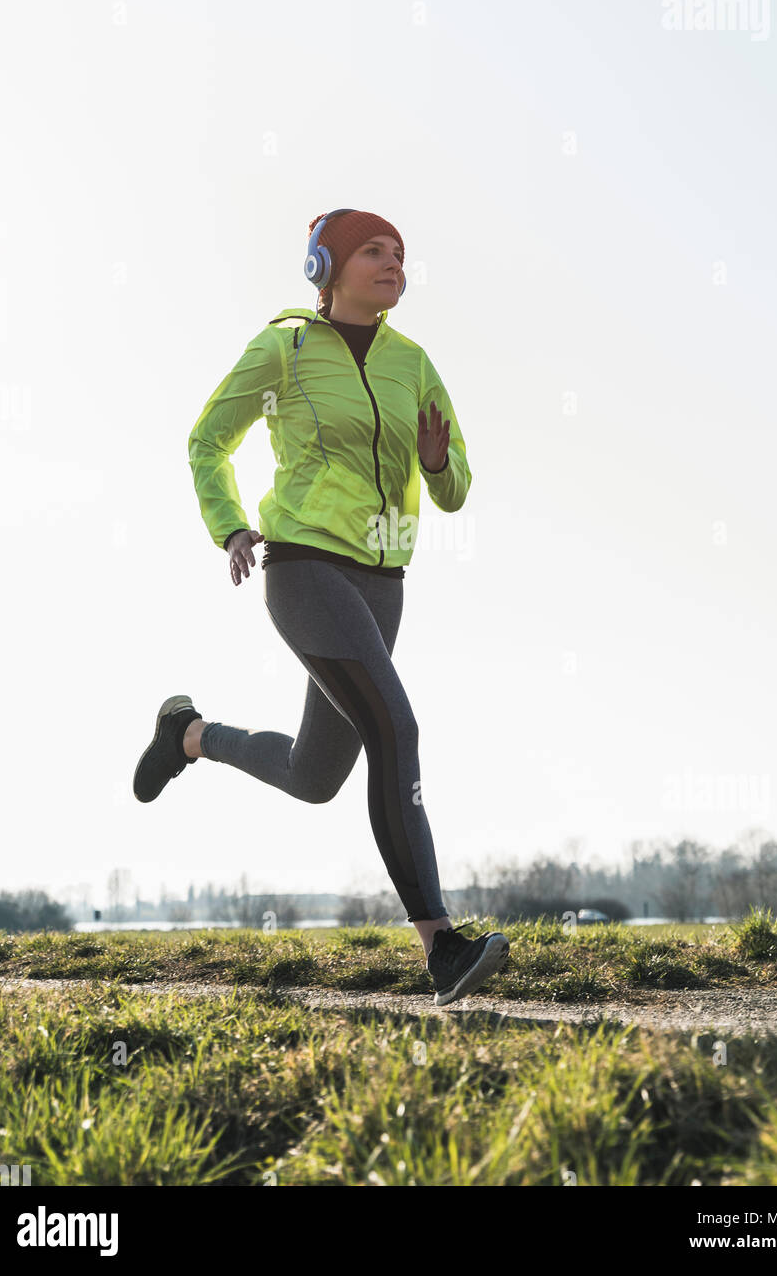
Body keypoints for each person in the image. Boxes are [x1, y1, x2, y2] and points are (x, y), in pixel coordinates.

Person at [133, 208, 509, 1005]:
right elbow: (208, 440)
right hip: (304, 568)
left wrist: (439, 463)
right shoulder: (286, 347)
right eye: (374, 250)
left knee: (314, 776)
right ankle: (441, 947)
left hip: (383, 582)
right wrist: (229, 525)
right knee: (395, 729)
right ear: (323, 266)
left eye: (401, 253)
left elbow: (455, 488)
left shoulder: (413, 363)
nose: (393, 262)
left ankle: (188, 735)